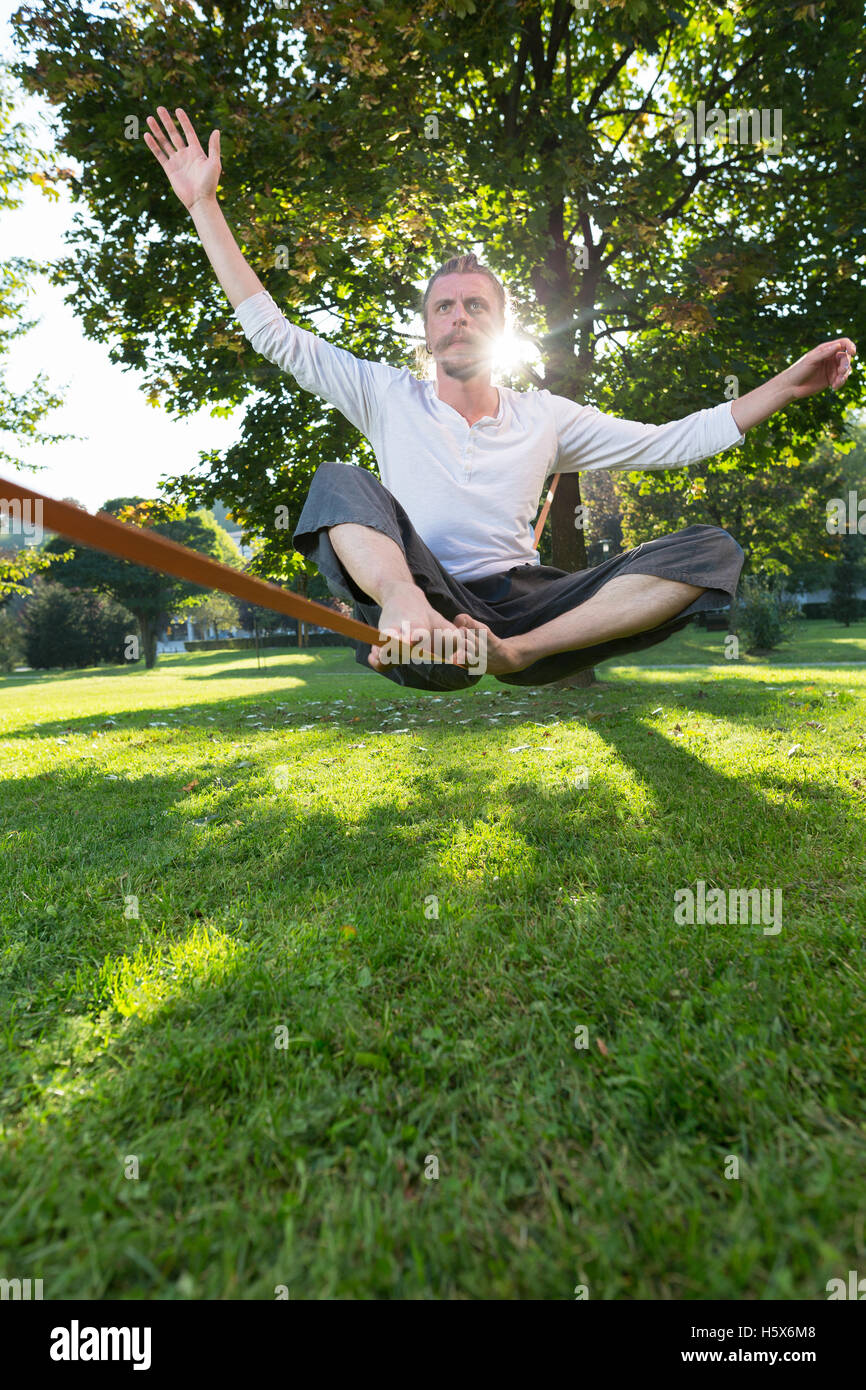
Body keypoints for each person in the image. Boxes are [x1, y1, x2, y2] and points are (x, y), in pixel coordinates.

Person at [144, 105, 856, 690]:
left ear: (502, 325)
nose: (459, 317)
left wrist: (787, 386)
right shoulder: (384, 393)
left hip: (527, 608)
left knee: (710, 548)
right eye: (444, 307)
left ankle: (518, 653)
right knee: (339, 480)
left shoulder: (545, 416)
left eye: (476, 306)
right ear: (426, 330)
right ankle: (408, 612)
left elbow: (675, 441)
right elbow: (274, 333)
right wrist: (204, 204)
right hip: (424, 599)